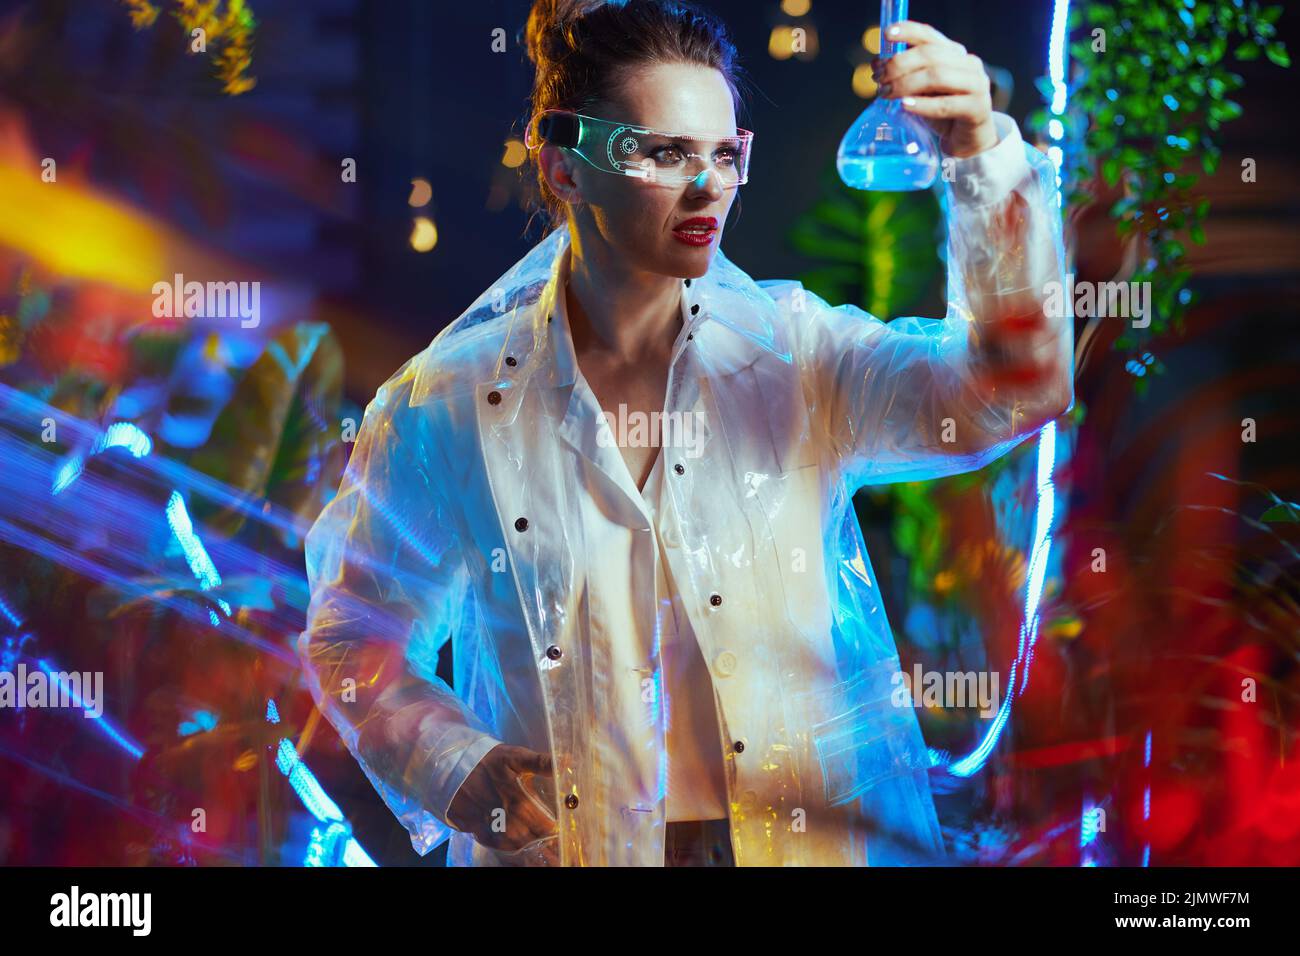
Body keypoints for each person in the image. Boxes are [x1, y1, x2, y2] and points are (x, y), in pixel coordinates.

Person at [298, 0, 1072, 867]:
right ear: (563, 168)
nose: (708, 184)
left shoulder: (797, 356)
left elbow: (1013, 389)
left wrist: (982, 155)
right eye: (666, 152)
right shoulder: (446, 404)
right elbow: (351, 631)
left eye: (724, 153)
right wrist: (457, 767)